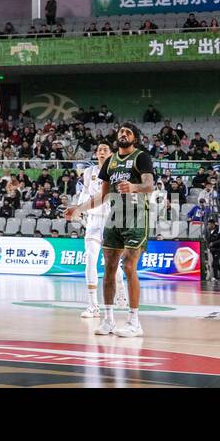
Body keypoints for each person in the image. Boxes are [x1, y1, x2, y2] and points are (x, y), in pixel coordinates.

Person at [66, 123, 154, 337]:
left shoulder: (141, 157)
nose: (123, 134)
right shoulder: (111, 162)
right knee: (109, 270)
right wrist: (79, 208)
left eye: (128, 132)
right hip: (113, 219)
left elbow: (149, 186)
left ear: (135, 137)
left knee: (130, 266)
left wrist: (134, 187)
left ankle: (134, 322)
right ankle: (108, 320)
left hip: (136, 218)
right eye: (121, 132)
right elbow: (102, 196)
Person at [71, 142, 127, 315]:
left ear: (111, 154)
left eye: (105, 150)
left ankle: (121, 291)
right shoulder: (89, 173)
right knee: (90, 258)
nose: (101, 152)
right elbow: (85, 193)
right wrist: (79, 208)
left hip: (112, 220)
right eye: (99, 150)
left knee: (113, 264)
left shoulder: (117, 172)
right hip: (94, 220)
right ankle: (92, 305)